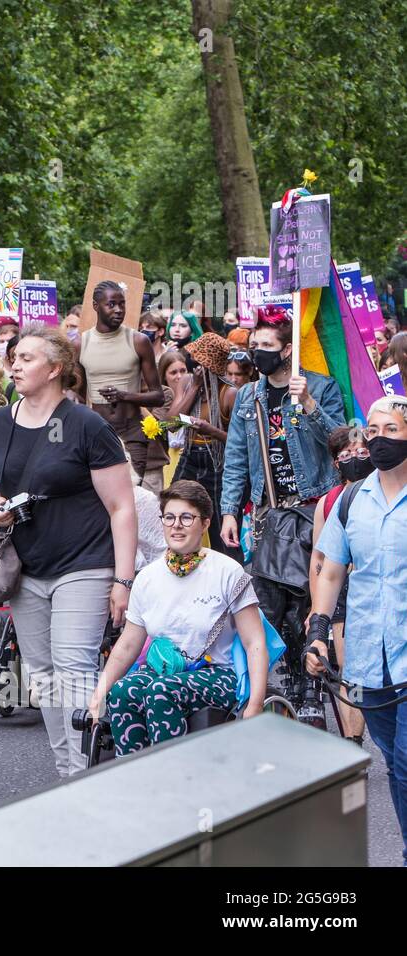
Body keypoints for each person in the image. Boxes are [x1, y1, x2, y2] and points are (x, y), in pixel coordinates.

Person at [0, 323, 137, 776]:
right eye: (14, 357)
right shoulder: (1, 422)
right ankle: (68, 769)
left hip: (84, 564)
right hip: (25, 567)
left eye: (27, 358)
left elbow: (122, 506)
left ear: (56, 369)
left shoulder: (87, 425)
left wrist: (123, 580)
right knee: (42, 675)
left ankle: (84, 771)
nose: (15, 364)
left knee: (73, 667)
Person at [88, 480, 269, 754]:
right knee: (123, 691)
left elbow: (255, 642)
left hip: (218, 672)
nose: (176, 525)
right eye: (169, 517)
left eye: (187, 517)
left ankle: (174, 776)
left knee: (162, 691)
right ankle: (135, 775)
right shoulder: (148, 577)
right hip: (165, 669)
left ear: (205, 523)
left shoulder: (227, 572)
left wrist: (255, 703)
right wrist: (100, 693)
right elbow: (127, 644)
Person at [307, 395, 407, 864]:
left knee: (406, 763)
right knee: (395, 761)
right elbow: (330, 570)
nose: (379, 440)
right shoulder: (352, 498)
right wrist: (320, 629)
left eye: (392, 430)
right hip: (370, 657)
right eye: (373, 430)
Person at [220, 315, 344, 649]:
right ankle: (282, 676)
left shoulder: (320, 387)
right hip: (267, 511)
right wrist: (229, 511)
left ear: (288, 349)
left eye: (267, 346)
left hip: (311, 508)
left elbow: (340, 442)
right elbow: (235, 458)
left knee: (309, 592)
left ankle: (312, 668)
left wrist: (308, 405)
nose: (258, 353)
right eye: (254, 346)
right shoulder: (247, 396)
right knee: (268, 595)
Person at [308, 425, 371, 745]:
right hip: (341, 592)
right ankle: (353, 737)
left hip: (374, 587)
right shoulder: (330, 503)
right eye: (346, 455)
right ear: (335, 462)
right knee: (349, 668)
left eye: (362, 453)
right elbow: (319, 560)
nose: (355, 460)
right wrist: (316, 609)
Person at [77, 281, 168, 492]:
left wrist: (124, 396)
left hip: (132, 433)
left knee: (132, 494)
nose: (118, 310)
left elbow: (158, 396)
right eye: (111, 304)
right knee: (99, 497)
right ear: (96, 306)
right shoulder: (81, 344)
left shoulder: (138, 341)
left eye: (122, 304)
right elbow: (79, 399)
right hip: (96, 434)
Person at [166, 332, 234, 554]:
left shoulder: (229, 393)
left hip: (217, 461)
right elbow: (171, 423)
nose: (192, 364)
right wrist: (194, 388)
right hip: (190, 455)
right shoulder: (187, 383)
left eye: (198, 360)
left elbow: (238, 442)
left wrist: (210, 430)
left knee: (216, 525)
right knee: (175, 503)